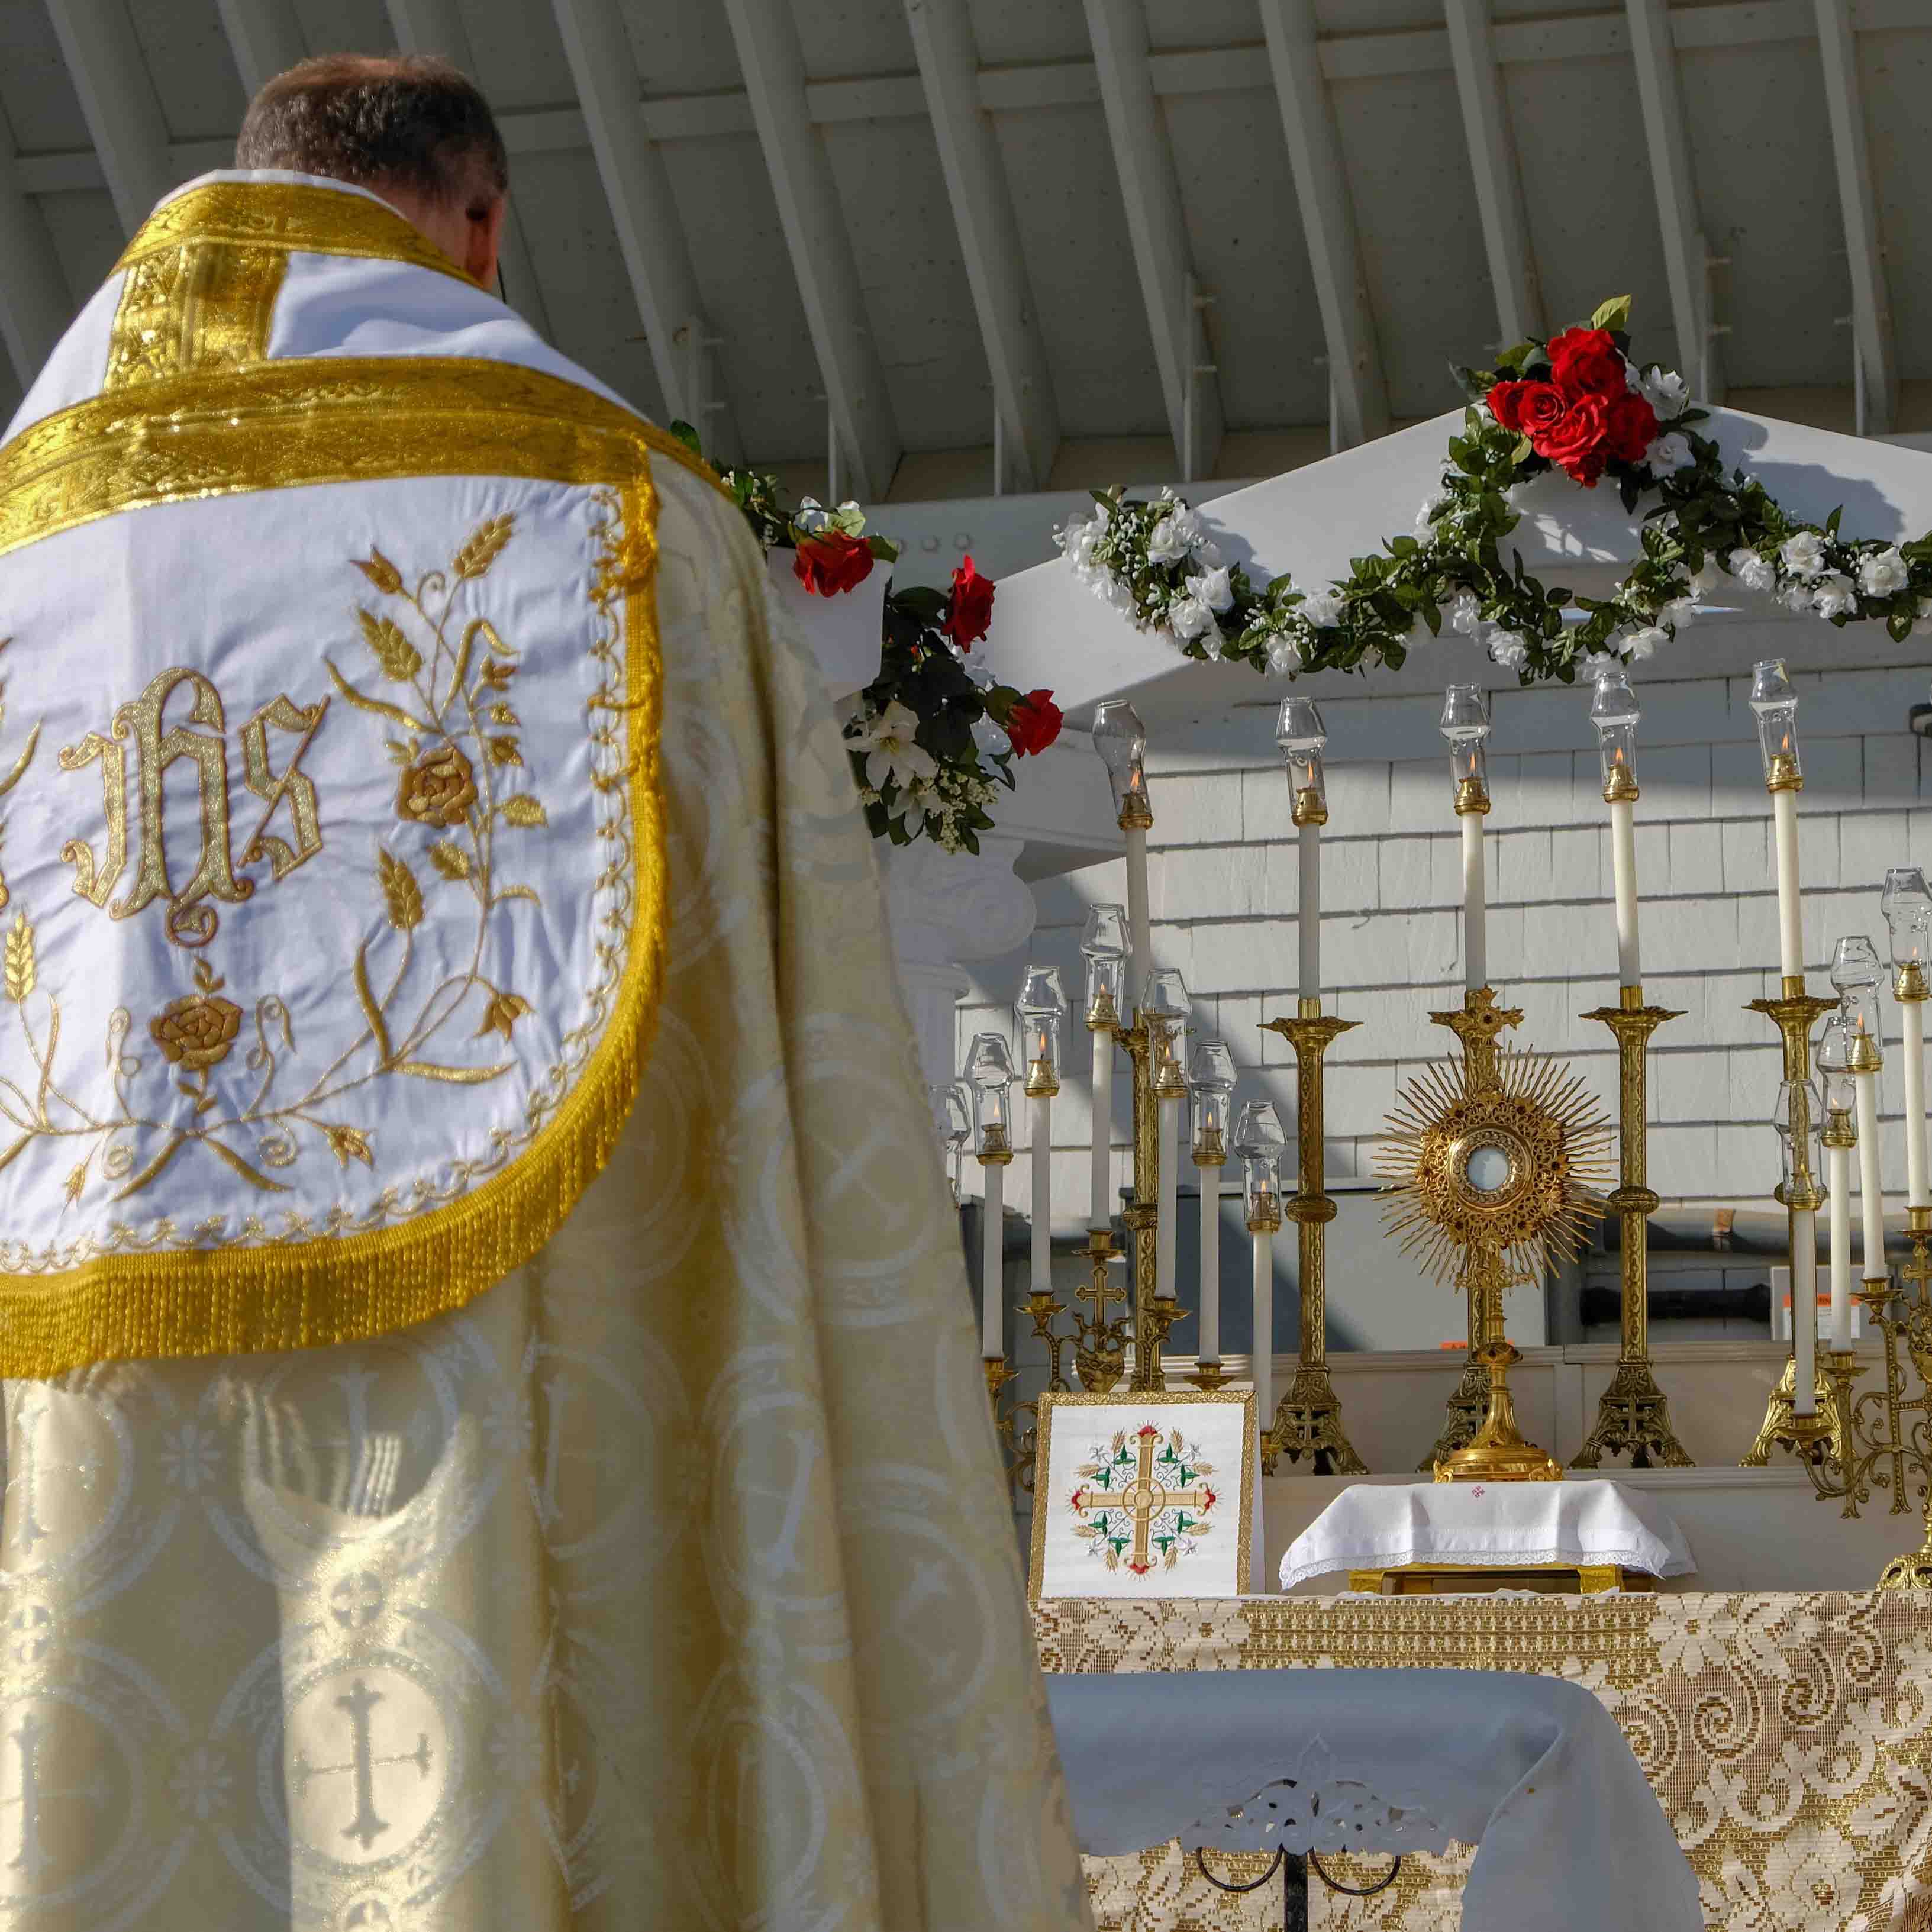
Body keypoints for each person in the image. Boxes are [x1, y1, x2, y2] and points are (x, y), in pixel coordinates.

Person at [0, 54, 1089, 1930]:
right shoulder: (614, 507)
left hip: (79, 1362)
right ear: (479, 222)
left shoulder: (27, 535)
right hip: (517, 1405)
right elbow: (782, 1088)